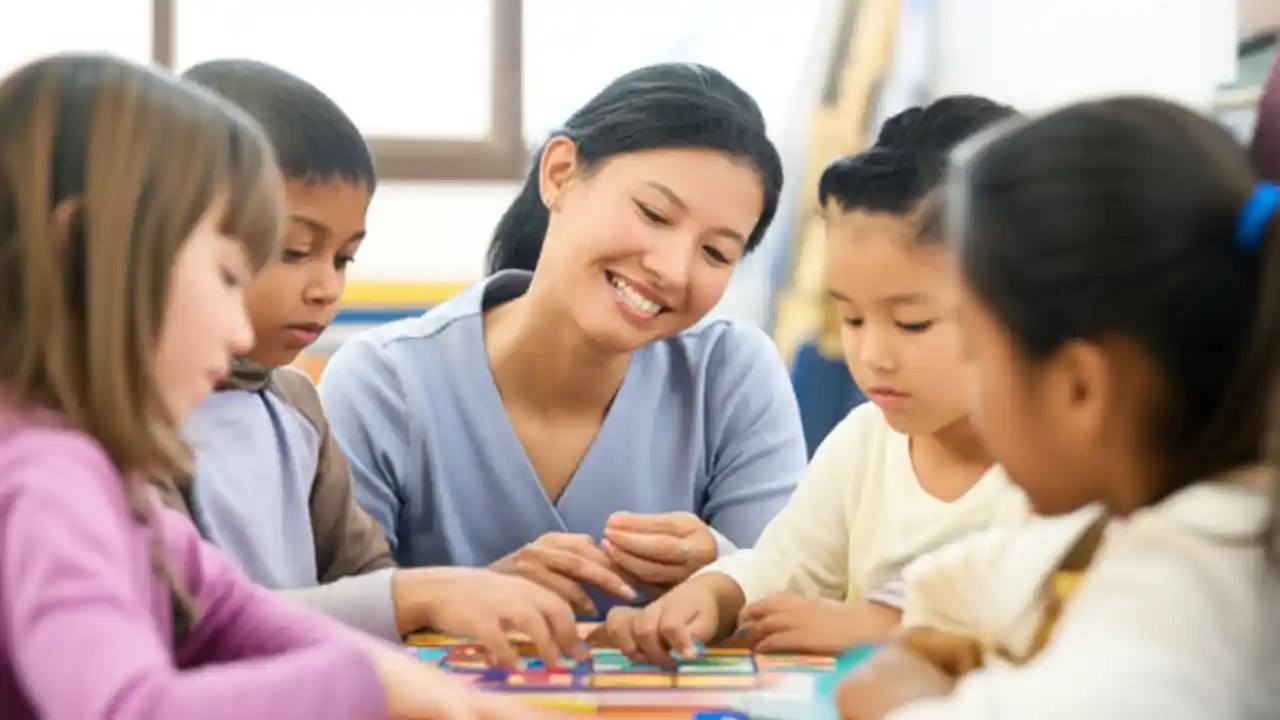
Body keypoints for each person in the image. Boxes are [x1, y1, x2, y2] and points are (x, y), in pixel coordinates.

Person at [0, 53, 561, 719]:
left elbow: (232, 614)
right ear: (89, 248)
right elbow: (127, 709)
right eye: (229, 276)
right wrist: (373, 689)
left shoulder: (106, 475)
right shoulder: (45, 480)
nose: (241, 333)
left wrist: (426, 688)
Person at [836, 97, 1280, 720]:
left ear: (1079, 388)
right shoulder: (1196, 519)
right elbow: (971, 582)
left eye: (974, 353)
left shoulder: (1201, 573)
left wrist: (902, 699)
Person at [318, 62, 807, 617]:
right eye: (653, 213)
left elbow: (789, 597)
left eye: (716, 253)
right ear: (560, 173)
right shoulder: (383, 384)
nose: (672, 269)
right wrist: (463, 596)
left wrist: (720, 572)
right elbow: (317, 628)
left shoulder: (732, 374)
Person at [173, 58, 576, 665]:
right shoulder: (120, 420)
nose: (325, 288)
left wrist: (467, 592)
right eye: (295, 250)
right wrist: (418, 595)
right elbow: (191, 628)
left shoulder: (293, 402)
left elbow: (362, 576)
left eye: (343, 259)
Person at [596, 97, 1028, 661]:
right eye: (849, 317)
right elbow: (784, 565)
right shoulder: (865, 441)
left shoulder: (1060, 470)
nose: (872, 355)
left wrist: (882, 630)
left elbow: (1057, 629)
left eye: (911, 323)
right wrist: (714, 597)